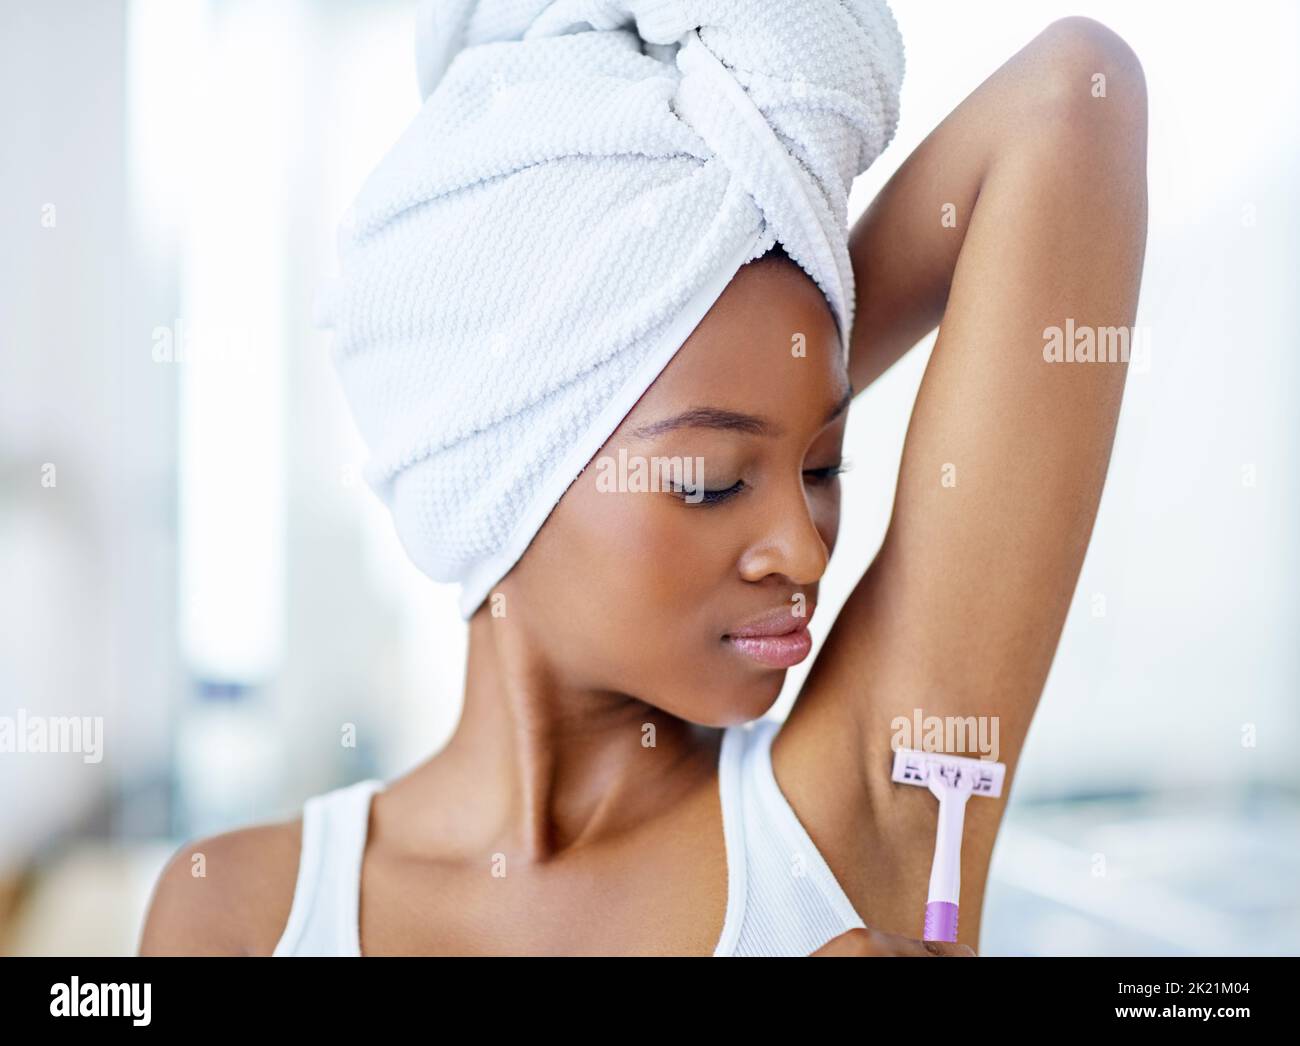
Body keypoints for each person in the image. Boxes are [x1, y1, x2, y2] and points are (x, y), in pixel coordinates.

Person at [140, 7, 1146, 957]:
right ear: (503, 486)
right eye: (712, 481)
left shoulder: (850, 825)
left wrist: (756, 332)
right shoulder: (236, 910)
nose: (802, 548)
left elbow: (1071, 98)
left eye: (820, 464)